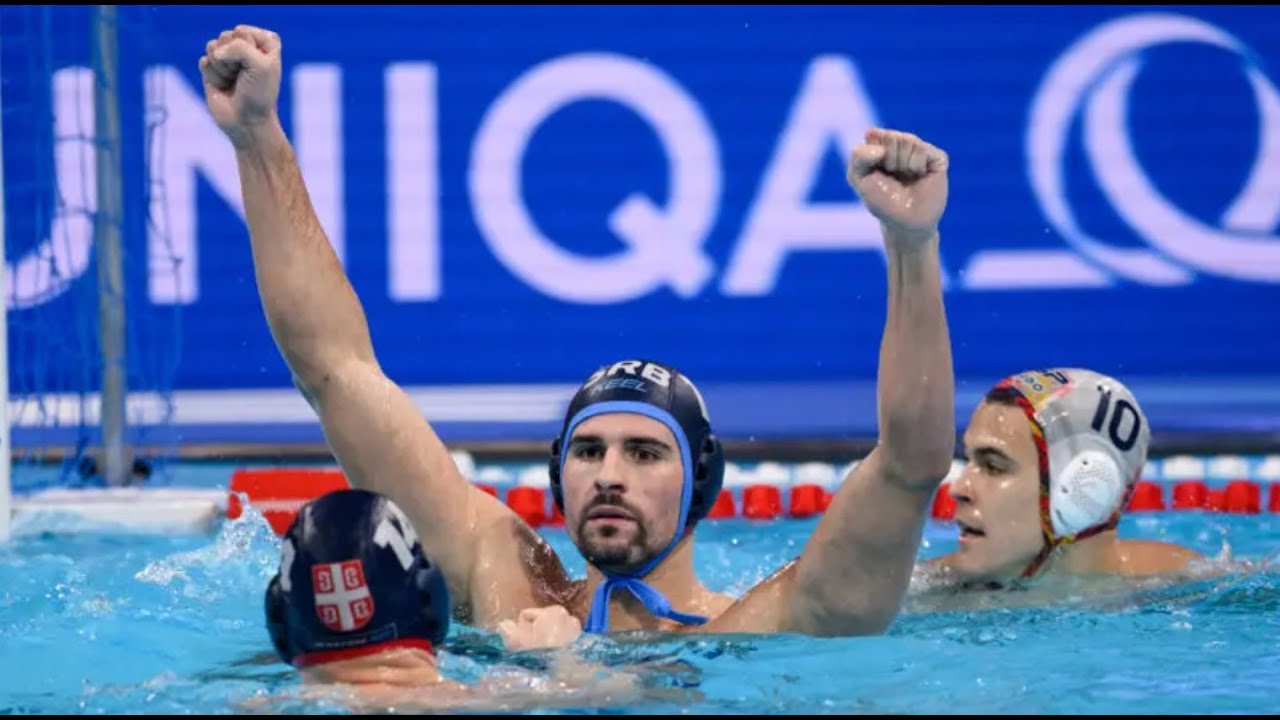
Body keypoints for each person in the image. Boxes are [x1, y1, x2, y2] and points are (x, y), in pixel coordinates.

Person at [201, 24, 955, 638]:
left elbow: (912, 465)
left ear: (702, 484)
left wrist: (911, 246)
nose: (609, 474)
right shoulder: (498, 575)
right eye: (589, 450)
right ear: (559, 471)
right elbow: (335, 370)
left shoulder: (773, 624)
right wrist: (260, 141)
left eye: (645, 452)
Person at [259, 487, 640, 712]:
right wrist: (558, 658)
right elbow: (628, 693)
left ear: (280, 624)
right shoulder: (493, 699)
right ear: (431, 600)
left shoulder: (256, 704)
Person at [904, 368, 1206, 612]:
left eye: (994, 467)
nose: (958, 488)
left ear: (1084, 489)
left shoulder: (1184, 583)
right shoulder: (920, 594)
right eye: (969, 461)